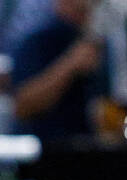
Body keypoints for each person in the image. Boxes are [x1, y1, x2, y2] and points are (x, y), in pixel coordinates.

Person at [9, 0, 110, 142]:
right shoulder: (38, 39)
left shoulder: (103, 41)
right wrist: (71, 64)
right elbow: (22, 106)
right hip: (45, 148)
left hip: (90, 146)